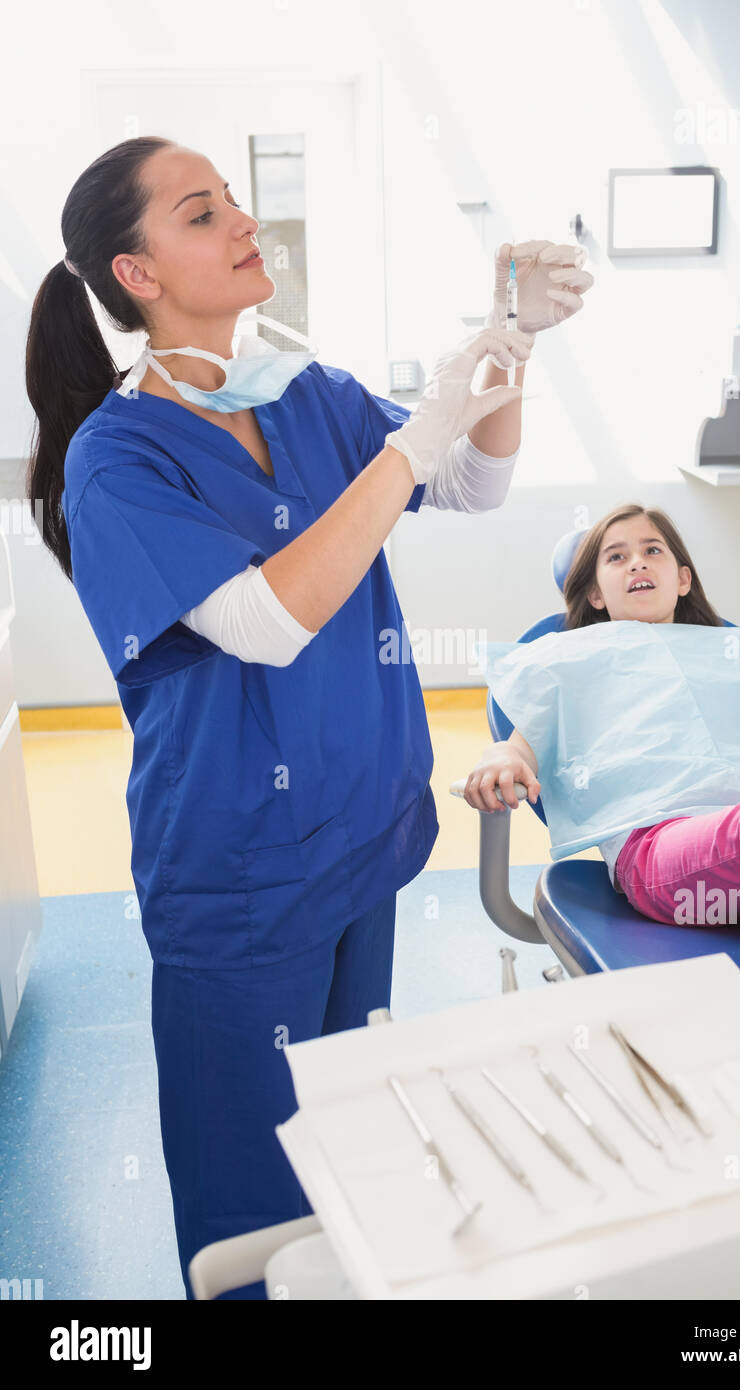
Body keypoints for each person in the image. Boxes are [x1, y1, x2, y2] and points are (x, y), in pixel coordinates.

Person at [24, 135, 594, 1299]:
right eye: (201, 213)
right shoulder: (118, 456)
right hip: (240, 876)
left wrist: (508, 342)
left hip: (360, 840)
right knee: (252, 1210)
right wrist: (412, 435)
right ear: (136, 274)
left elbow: (472, 484)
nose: (244, 223)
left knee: (350, 1155)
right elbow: (267, 620)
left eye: (235, 199)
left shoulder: (306, 392)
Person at [462, 504, 740, 986]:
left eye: (652, 550)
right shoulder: (569, 659)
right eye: (616, 557)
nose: (637, 562)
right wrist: (500, 759)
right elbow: (518, 746)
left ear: (682, 579)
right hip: (660, 852)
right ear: (594, 592)